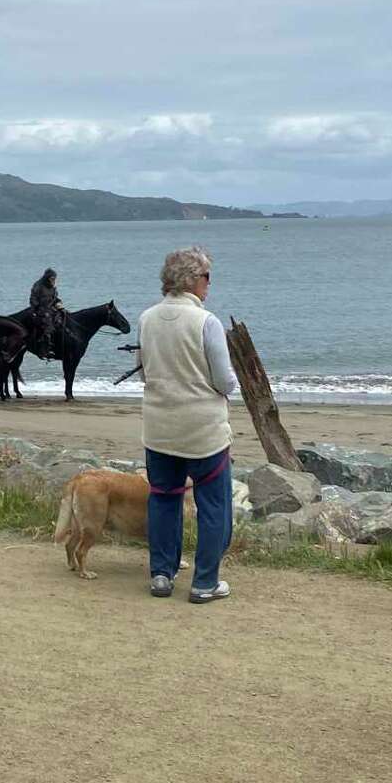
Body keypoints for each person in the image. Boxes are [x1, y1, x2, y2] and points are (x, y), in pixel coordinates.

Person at [138, 247, 236, 603]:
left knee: (164, 498)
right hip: (202, 430)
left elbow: (146, 368)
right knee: (214, 503)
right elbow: (225, 380)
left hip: (159, 426)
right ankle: (205, 581)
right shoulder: (206, 322)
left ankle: (162, 573)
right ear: (195, 280)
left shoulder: (146, 318)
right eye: (207, 277)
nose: (210, 284)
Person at [29, 267, 65, 357]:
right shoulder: (38, 286)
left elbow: (54, 298)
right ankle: (45, 348)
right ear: (47, 278)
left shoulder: (53, 287)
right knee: (48, 325)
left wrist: (58, 302)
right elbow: (33, 299)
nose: (53, 280)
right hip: (41, 310)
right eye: (52, 278)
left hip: (52, 308)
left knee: (65, 317)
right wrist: (38, 308)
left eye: (54, 278)